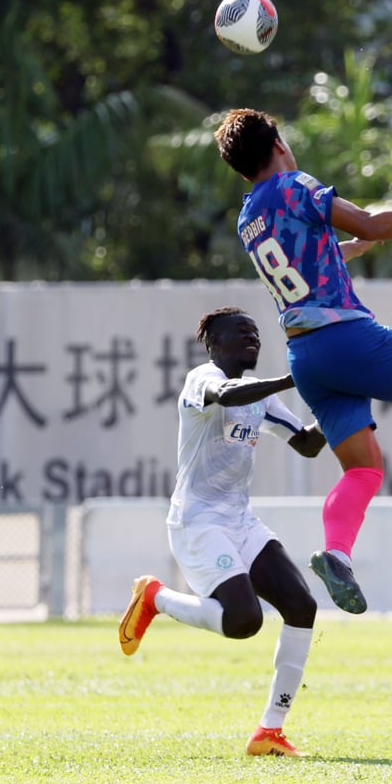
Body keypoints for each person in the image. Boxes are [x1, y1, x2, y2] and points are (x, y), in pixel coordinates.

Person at [213, 108, 392, 615]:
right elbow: (371, 220)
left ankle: (336, 555)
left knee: (365, 469)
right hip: (344, 336)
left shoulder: (249, 217)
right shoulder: (293, 185)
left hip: (306, 357)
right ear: (279, 143)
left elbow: (302, 256)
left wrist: (348, 249)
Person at [118, 306, 329, 756]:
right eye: (240, 331)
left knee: (302, 605)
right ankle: (155, 597)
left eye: (255, 331)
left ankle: (269, 731)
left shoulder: (262, 396)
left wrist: (340, 405)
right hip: (197, 521)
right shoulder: (203, 378)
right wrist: (297, 379)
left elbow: (307, 445)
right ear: (213, 343)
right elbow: (227, 395)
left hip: (239, 520)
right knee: (244, 621)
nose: (252, 336)